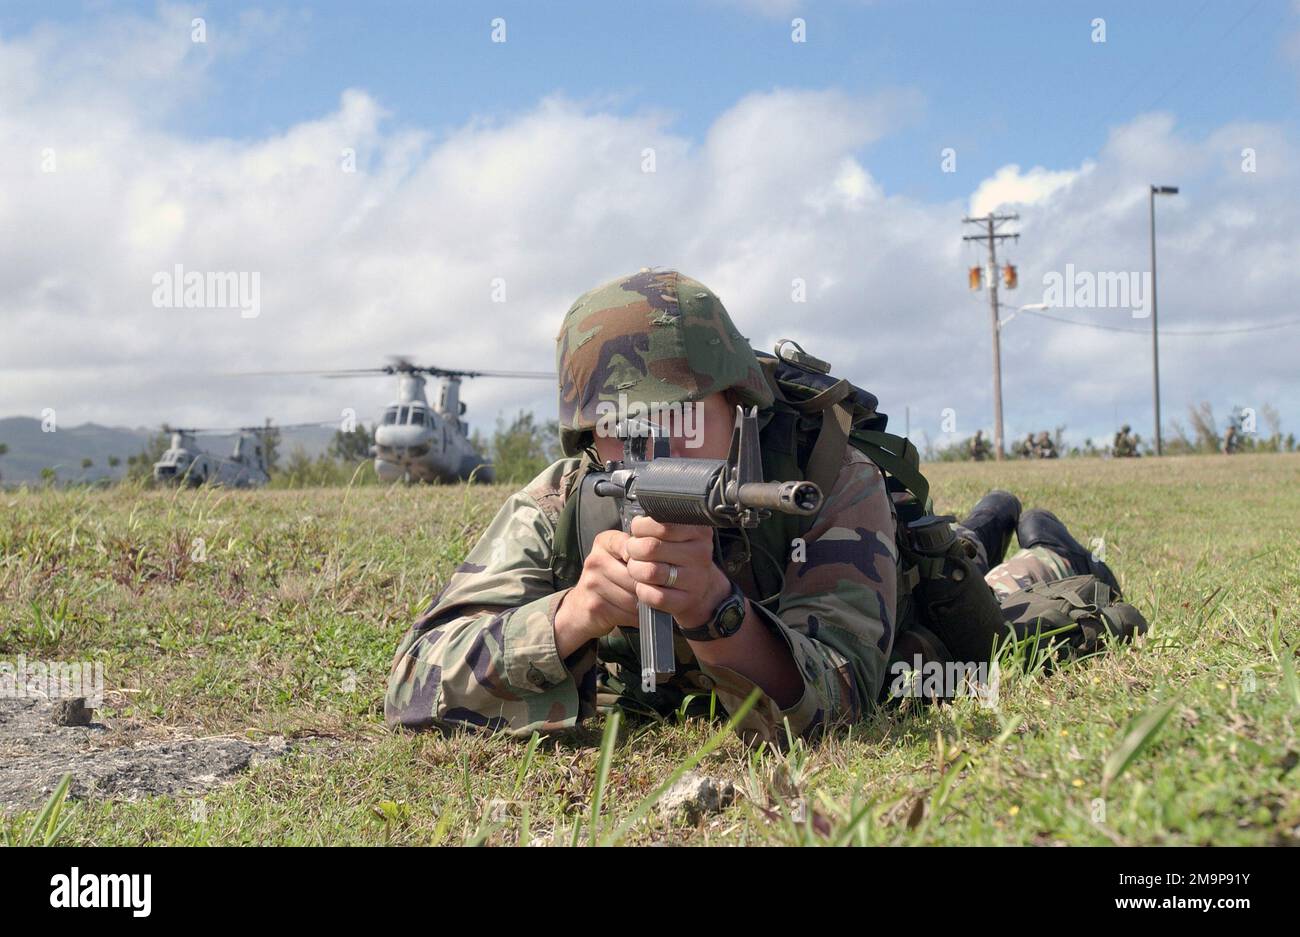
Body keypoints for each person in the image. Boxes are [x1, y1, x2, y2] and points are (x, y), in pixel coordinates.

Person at [385, 269, 1140, 745]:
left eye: (682, 414)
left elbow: (842, 696)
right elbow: (411, 684)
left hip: (888, 596)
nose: (653, 449)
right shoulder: (563, 497)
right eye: (623, 428)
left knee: (962, 643)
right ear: (589, 436)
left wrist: (718, 613)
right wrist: (573, 616)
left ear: (740, 407)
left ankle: (1048, 554)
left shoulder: (826, 480)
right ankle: (990, 527)